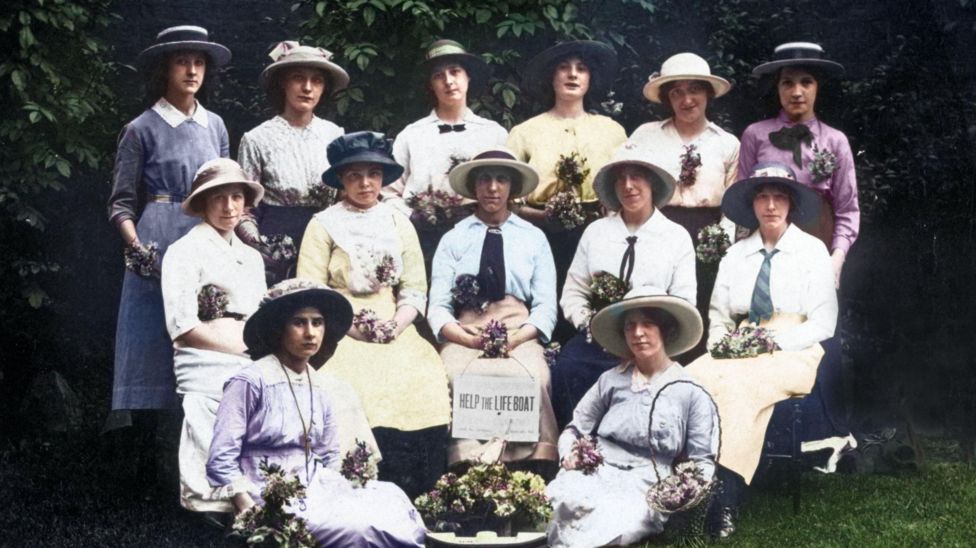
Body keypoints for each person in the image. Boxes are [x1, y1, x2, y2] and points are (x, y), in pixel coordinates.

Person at [208, 278, 426, 547]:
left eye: (317, 322)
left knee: (392, 503)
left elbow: (328, 453)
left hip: (316, 487)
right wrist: (245, 505)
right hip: (268, 497)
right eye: (299, 322)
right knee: (360, 528)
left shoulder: (319, 384)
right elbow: (221, 458)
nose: (310, 333)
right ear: (279, 328)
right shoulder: (250, 381)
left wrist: (341, 493)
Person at [105, 24, 230, 488]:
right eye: (182, 61)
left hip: (203, 236)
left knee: (202, 337)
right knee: (150, 346)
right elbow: (120, 202)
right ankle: (144, 473)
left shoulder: (214, 125)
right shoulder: (140, 128)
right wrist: (137, 247)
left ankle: (197, 466)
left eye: (199, 61)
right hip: (157, 239)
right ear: (165, 68)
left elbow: (225, 188)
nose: (193, 69)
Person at [684, 163, 839, 537]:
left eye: (779, 196)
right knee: (689, 380)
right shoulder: (736, 255)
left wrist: (771, 343)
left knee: (742, 390)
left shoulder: (811, 250)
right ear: (753, 205)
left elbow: (824, 323)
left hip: (795, 346)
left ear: (790, 203)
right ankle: (685, 485)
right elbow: (719, 317)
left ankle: (724, 499)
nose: (770, 205)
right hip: (741, 345)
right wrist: (725, 345)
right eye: (763, 197)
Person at [297, 132, 451, 498]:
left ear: (383, 177)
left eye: (373, 174)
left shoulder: (398, 221)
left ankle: (421, 489)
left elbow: (415, 288)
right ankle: (361, 487)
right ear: (341, 180)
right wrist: (350, 328)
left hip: (393, 324)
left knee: (424, 373)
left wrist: (397, 325)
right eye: (354, 175)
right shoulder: (323, 224)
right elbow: (310, 290)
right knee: (351, 382)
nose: (365, 183)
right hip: (339, 328)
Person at [546, 286, 719, 547]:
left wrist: (683, 491)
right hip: (597, 471)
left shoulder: (690, 390)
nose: (638, 333)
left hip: (646, 481)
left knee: (619, 523)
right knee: (560, 503)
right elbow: (575, 428)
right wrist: (569, 454)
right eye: (630, 326)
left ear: (666, 330)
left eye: (648, 324)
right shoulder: (611, 380)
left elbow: (702, 459)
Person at [428, 148, 558, 470]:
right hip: (467, 328)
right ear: (474, 187)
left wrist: (517, 338)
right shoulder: (453, 239)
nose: (493, 188)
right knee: (452, 375)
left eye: (502, 180)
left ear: (512, 187)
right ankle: (466, 468)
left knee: (537, 377)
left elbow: (545, 306)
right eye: (485, 179)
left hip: (518, 327)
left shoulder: (533, 238)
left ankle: (530, 468)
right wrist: (463, 336)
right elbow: (438, 307)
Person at [551, 145, 696, 427]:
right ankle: (578, 449)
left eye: (637, 177)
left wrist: (656, 334)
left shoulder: (675, 237)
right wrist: (589, 323)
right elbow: (574, 290)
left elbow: (684, 299)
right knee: (568, 367)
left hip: (651, 341)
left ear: (652, 181)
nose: (629, 186)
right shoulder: (597, 232)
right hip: (600, 339)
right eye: (621, 179)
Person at [160, 158, 266, 512]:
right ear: (203, 203)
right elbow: (184, 327)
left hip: (249, 349)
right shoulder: (183, 252)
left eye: (236, 196)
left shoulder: (252, 257)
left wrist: (258, 348)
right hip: (202, 354)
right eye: (218, 197)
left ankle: (274, 487)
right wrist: (241, 347)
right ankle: (232, 497)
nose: (229, 206)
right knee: (221, 392)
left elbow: (260, 315)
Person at [507, 40, 627, 300]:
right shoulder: (524, 132)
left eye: (581, 69)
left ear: (590, 79)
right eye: (564, 67)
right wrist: (542, 218)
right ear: (551, 77)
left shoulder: (612, 131)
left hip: (599, 231)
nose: (573, 74)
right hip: (539, 232)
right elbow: (507, 199)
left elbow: (627, 185)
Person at [738, 42, 858, 288]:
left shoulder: (835, 140)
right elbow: (742, 198)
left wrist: (836, 258)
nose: (796, 92)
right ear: (777, 87)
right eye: (787, 83)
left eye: (806, 82)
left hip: (818, 237)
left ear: (818, 87)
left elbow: (847, 209)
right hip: (765, 240)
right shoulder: (755, 135)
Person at [385, 39, 508, 275]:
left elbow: (509, 190)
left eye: (455, 72)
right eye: (439, 75)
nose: (448, 81)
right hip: (423, 238)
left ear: (468, 77)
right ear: (431, 85)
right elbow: (389, 194)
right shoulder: (411, 135)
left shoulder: (494, 133)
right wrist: (413, 216)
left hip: (481, 233)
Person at [237, 41, 350, 282]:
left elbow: (345, 196)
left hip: (326, 239)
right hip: (276, 244)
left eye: (316, 80)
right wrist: (260, 244)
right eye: (298, 78)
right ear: (283, 83)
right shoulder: (257, 139)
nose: (307, 88)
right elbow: (243, 208)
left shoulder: (334, 135)